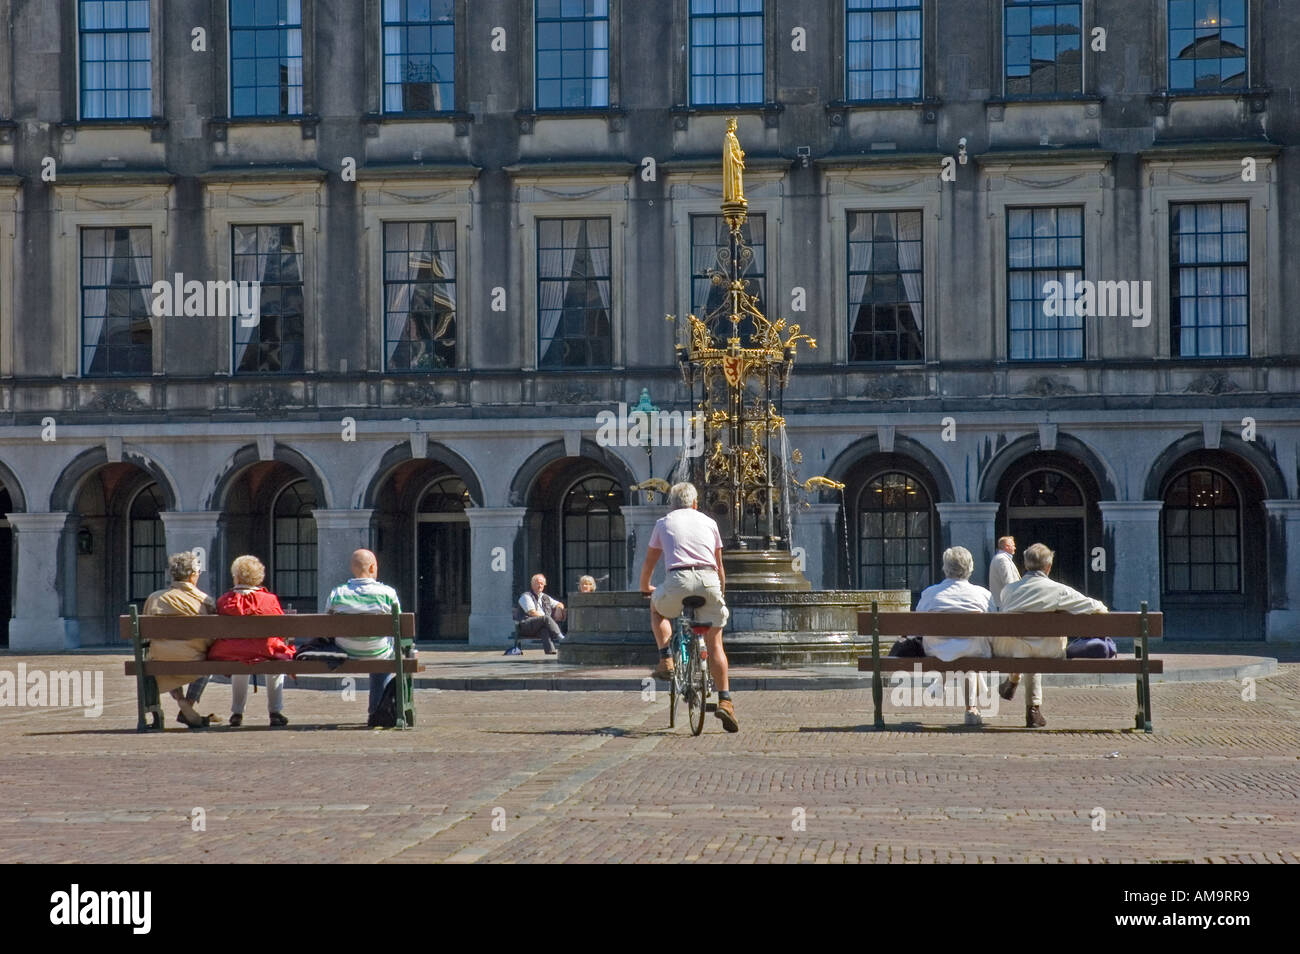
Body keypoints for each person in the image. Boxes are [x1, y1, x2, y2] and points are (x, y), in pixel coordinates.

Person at [638, 481, 737, 733]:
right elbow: (720, 566)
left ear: (672, 504)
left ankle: (666, 659)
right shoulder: (710, 523)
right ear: (695, 503)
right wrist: (720, 594)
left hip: (678, 580)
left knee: (657, 609)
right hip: (709, 580)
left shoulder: (664, 523)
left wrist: (645, 587)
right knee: (716, 643)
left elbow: (650, 561)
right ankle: (725, 699)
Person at [994, 542, 1108, 727]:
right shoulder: (1059, 590)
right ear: (1048, 567)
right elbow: (1097, 608)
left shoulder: (1008, 590)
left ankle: (1013, 679)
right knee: (1037, 644)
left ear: (1025, 565)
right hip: (1046, 651)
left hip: (1009, 650)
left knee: (1026, 645)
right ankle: (1033, 709)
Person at [209, 555, 293, 727]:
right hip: (264, 649)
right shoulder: (269, 599)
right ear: (258, 577)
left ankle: (237, 712)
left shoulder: (225, 600)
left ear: (236, 576)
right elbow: (280, 629)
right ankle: (275, 711)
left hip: (232, 651)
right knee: (275, 663)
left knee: (240, 660)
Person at [914, 546, 994, 726]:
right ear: (970, 568)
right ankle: (971, 709)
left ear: (945, 567)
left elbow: (916, 626)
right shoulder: (982, 594)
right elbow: (993, 627)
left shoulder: (930, 593)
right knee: (967, 650)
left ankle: (941, 684)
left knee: (956, 648)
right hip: (974, 649)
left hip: (936, 649)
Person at [142, 551, 219, 729]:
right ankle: (188, 703)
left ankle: (179, 699)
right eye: (198, 573)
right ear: (192, 576)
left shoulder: (155, 598)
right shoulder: (205, 601)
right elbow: (212, 636)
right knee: (207, 660)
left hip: (161, 659)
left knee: (163, 654)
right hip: (194, 660)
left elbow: (145, 634)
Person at [326, 548, 402, 727]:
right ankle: (376, 710)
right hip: (377, 650)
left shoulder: (337, 593)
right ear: (373, 567)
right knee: (383, 650)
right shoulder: (387, 593)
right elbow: (398, 624)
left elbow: (327, 621)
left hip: (345, 651)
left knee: (377, 646)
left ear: (352, 568)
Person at [517, 573, 565, 655]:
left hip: (539, 625)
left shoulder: (545, 597)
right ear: (532, 584)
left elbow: (559, 604)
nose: (540, 585)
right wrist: (548, 619)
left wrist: (558, 609)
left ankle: (550, 651)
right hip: (526, 625)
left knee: (544, 630)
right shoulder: (526, 596)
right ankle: (561, 638)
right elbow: (532, 612)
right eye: (537, 583)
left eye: (542, 583)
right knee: (545, 619)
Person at [988, 536, 1020, 609]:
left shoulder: (999, 558)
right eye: (1013, 545)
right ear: (1007, 546)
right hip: (1005, 605)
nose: (1015, 548)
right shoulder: (1002, 560)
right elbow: (1009, 583)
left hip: (1002, 604)